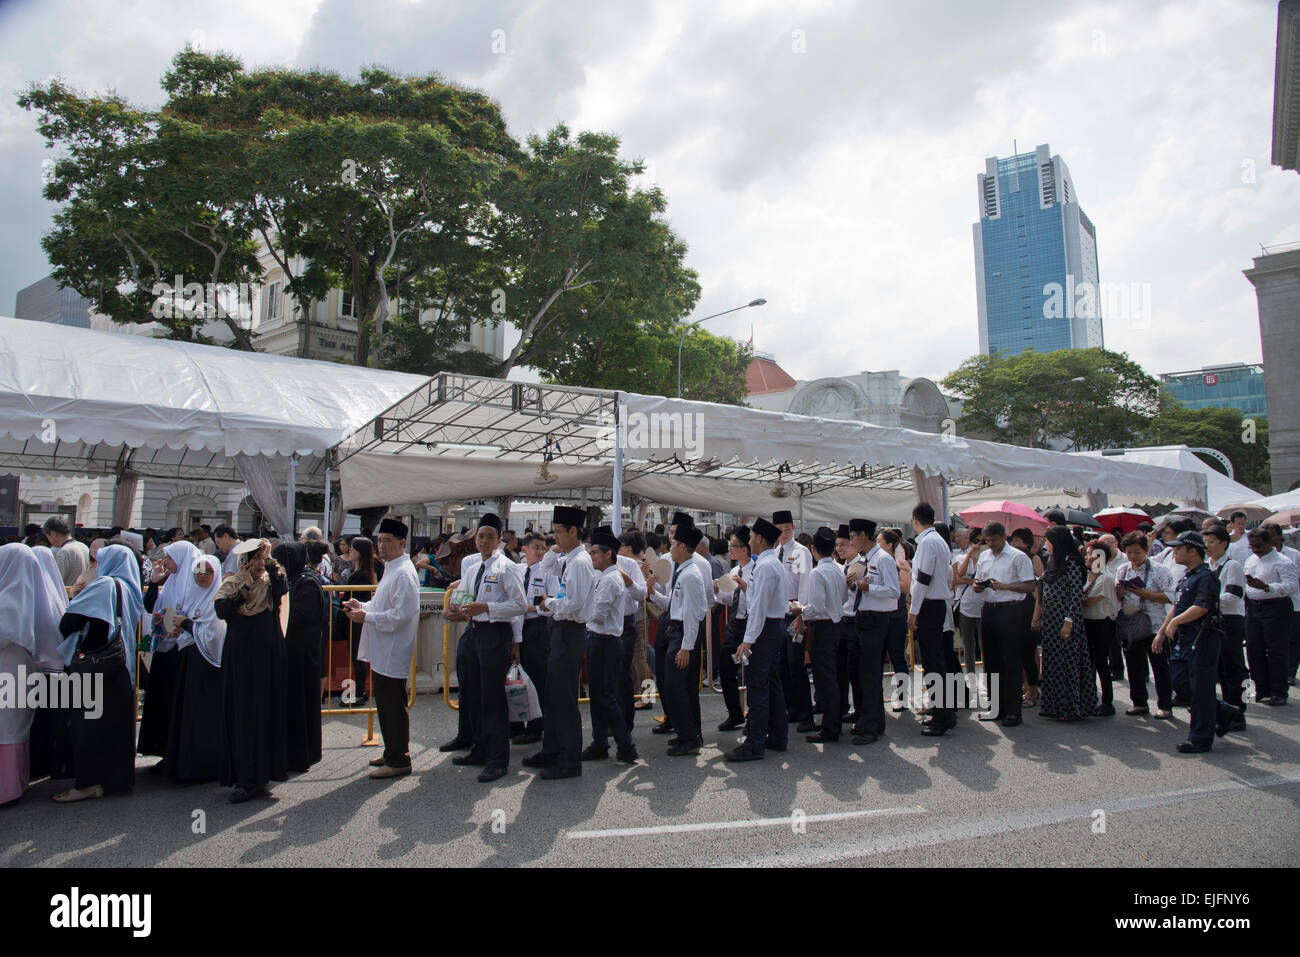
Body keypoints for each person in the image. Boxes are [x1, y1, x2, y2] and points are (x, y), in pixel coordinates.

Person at [51, 543, 143, 802]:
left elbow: (68, 623)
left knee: (89, 727)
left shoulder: (104, 585)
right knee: (115, 727)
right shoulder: (131, 586)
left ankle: (88, 783)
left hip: (95, 667)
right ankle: (116, 779)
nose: (93, 565)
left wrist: (78, 596)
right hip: (120, 667)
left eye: (96, 560)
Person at [443, 514, 526, 783]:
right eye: (480, 535)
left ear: (500, 540)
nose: (484, 541)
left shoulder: (507, 567)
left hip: (494, 633)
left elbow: (519, 605)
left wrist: (488, 608)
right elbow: (464, 598)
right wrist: (453, 610)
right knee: (473, 693)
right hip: (473, 632)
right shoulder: (473, 568)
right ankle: (479, 748)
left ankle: (498, 759)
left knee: (492, 698)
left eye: (490, 536)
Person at [1154, 531, 1243, 753]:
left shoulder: (1206, 576)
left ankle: (1200, 738)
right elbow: (1178, 604)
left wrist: (1176, 622)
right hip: (1185, 638)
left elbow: (1202, 606)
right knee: (1180, 681)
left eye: (1178, 548)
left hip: (1203, 637)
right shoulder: (1188, 576)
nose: (1173, 552)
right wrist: (1162, 631)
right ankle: (1223, 711)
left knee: (1200, 688)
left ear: (1193, 550)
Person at [345, 518, 421, 779]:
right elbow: (382, 605)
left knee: (393, 705)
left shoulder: (404, 572)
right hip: (383, 648)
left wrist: (367, 617)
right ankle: (392, 752)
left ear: (402, 543)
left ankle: (400, 759)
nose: (382, 546)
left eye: (388, 541)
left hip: (393, 648)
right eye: (379, 541)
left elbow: (401, 615)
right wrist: (363, 606)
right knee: (386, 704)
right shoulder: (392, 568)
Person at [213, 540, 288, 802]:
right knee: (244, 712)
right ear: (244, 560)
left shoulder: (271, 581)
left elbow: (281, 589)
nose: (257, 563)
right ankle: (245, 778)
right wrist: (244, 586)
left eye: (261, 558)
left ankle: (265, 773)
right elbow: (222, 610)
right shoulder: (234, 582)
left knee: (265, 710)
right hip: (242, 655)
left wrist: (270, 563)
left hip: (267, 653)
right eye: (253, 558)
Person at [527, 506, 595, 780]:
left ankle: (569, 758)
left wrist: (550, 603)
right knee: (553, 696)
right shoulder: (569, 558)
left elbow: (574, 603)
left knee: (564, 699)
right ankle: (552, 749)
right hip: (561, 630)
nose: (554, 538)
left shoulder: (579, 562)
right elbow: (545, 569)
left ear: (573, 531)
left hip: (571, 632)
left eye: (558, 532)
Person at [0, 544, 66, 805]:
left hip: (7, 666)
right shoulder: (31, 593)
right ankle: (15, 783)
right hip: (20, 667)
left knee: (6, 728)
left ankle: (7, 788)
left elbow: (6, 634)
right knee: (14, 726)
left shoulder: (9, 597)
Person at [726, 518, 789, 761]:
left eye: (751, 537)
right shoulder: (771, 563)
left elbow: (759, 608)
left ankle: (754, 743)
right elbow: (760, 598)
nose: (749, 540)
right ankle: (777, 735)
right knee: (771, 683)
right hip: (772, 626)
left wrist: (748, 640)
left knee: (758, 686)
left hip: (765, 629)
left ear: (760, 539)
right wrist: (744, 586)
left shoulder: (765, 566)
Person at [138, 539, 202, 768]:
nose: (167, 562)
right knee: (163, 702)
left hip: (182, 651)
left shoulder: (194, 581)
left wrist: (177, 621)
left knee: (176, 702)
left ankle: (177, 754)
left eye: (171, 558)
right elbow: (150, 608)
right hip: (166, 650)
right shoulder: (173, 580)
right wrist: (154, 584)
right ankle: (164, 750)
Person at [646, 525, 708, 756]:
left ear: (683, 547)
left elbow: (691, 614)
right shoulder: (683, 571)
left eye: (672, 545)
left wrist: (686, 648)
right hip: (678, 630)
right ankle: (687, 733)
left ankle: (689, 736)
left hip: (683, 634)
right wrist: (652, 593)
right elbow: (673, 606)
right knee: (677, 687)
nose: (669, 548)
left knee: (676, 686)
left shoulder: (691, 575)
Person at [164, 555, 226, 783]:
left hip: (207, 664)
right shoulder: (190, 595)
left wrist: (186, 624)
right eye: (197, 572)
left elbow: (214, 632)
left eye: (207, 572)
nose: (202, 577)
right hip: (189, 659)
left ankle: (204, 765)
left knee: (203, 715)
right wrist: (180, 627)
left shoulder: (217, 597)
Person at [581, 530, 639, 765]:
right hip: (600, 640)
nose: (592, 556)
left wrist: (575, 615)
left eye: (596, 552)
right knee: (598, 695)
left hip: (606, 641)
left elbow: (598, 615)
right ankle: (600, 742)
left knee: (605, 696)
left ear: (608, 554)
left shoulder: (609, 579)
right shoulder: (603, 576)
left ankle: (626, 745)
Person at [973, 522, 1037, 727]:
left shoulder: (1018, 557)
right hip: (988, 609)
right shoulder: (984, 556)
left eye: (993, 540)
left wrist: (1006, 586)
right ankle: (996, 707)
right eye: (987, 541)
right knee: (991, 661)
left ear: (1003, 536)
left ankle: (1012, 711)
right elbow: (978, 580)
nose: (990, 544)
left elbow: (1030, 585)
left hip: (1010, 609)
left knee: (1010, 661)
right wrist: (978, 586)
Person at [272, 542, 326, 773]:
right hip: (293, 652)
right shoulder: (298, 579)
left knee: (301, 705)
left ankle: (301, 755)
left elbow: (298, 618)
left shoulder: (306, 582)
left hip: (302, 654)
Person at [1113, 531, 1176, 718]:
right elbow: (1118, 598)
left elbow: (1171, 597)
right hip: (1131, 625)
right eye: (1129, 552)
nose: (1133, 557)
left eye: (1137, 553)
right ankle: (1139, 703)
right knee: (1133, 666)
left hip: (1154, 625)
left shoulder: (1159, 570)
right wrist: (1119, 591)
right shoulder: (1123, 569)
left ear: (1146, 551)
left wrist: (1145, 594)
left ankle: (1165, 704)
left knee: (1160, 667)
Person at [1037, 525, 1095, 722]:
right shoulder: (1053, 561)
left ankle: (1070, 707)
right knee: (1052, 661)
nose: (1046, 544)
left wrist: (1068, 621)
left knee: (1067, 662)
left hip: (1065, 618)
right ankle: (1053, 705)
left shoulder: (1071, 562)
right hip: (1051, 618)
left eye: (1049, 540)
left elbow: (1076, 594)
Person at [909, 503, 957, 735]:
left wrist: (913, 611)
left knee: (933, 662)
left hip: (929, 605)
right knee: (935, 661)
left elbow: (923, 579)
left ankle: (942, 715)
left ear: (915, 520)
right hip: (935, 604)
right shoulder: (938, 540)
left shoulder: (928, 542)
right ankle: (943, 711)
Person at [848, 518, 897, 743]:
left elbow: (893, 591)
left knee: (870, 674)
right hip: (861, 617)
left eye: (852, 536)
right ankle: (866, 718)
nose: (851, 541)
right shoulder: (862, 560)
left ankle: (872, 725)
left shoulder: (884, 559)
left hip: (877, 619)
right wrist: (853, 584)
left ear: (863, 535)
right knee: (860, 673)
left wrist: (869, 587)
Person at [798, 527, 847, 743]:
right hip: (836, 624)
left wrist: (800, 612)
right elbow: (844, 597)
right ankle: (832, 721)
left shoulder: (817, 572)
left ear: (813, 549)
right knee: (832, 677)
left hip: (823, 626)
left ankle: (830, 727)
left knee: (825, 679)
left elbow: (816, 606)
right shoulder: (838, 569)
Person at [1242, 528, 1297, 706]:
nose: (1255, 550)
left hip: (1276, 606)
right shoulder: (1250, 560)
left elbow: (1291, 586)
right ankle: (1261, 688)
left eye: (1258, 545)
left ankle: (1278, 691)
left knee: (1276, 651)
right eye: (1252, 546)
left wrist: (1267, 587)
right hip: (1254, 607)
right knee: (1253, 649)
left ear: (1269, 543)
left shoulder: (1283, 561)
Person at [772, 510, 815, 731]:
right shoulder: (776, 551)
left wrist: (801, 616)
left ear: (794, 528)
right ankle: (792, 708)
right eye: (779, 529)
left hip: (794, 611)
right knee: (781, 664)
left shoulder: (800, 552)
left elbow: (805, 585)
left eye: (787, 529)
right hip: (779, 613)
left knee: (795, 663)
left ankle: (806, 713)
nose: (783, 533)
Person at [510, 533, 553, 745]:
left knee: (537, 678)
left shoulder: (547, 573)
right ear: (524, 549)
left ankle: (536, 727)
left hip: (537, 626)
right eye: (536, 547)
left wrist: (534, 608)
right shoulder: (516, 570)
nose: (540, 552)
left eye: (543, 548)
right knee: (514, 677)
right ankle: (515, 724)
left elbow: (552, 603)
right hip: (516, 626)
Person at [1203, 524, 1248, 721]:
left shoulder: (1232, 566)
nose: (1208, 546)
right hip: (1213, 620)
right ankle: (1225, 711)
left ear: (1224, 543)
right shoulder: (1207, 565)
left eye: (1212, 542)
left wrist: (1207, 601)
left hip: (1231, 620)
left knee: (1233, 667)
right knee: (1219, 667)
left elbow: (1233, 596)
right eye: (1205, 542)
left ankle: (1239, 711)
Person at [716, 526, 753, 731]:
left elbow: (755, 599)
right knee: (726, 666)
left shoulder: (754, 570)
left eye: (734, 546)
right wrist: (717, 591)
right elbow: (730, 598)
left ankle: (754, 714)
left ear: (744, 549)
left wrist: (744, 586)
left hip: (749, 622)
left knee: (752, 671)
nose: (730, 550)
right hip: (734, 623)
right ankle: (735, 713)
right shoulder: (733, 570)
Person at [617, 529, 652, 730]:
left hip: (637, 617)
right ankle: (641, 694)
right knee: (636, 658)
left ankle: (648, 696)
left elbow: (642, 592)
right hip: (633, 617)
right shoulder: (630, 563)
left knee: (640, 658)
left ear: (628, 547)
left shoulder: (635, 565)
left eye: (621, 545)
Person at [1081, 539, 1120, 716]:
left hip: (1102, 623)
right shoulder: (1090, 575)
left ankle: (1107, 702)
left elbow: (1091, 600)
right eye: (1088, 553)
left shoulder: (1105, 577)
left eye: (1093, 554)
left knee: (1101, 663)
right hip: (1089, 622)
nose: (1088, 557)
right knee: (1090, 662)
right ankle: (1090, 698)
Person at [1009, 528, 1044, 707]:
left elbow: (1039, 590)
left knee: (1029, 653)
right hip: (1014, 609)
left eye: (1017, 540)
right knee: (1018, 653)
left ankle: (1032, 690)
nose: (1014, 543)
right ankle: (1025, 687)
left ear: (1026, 543)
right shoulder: (1009, 559)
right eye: (1012, 540)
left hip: (1029, 609)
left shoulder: (1034, 559)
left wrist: (1036, 616)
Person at [953, 526, 985, 678]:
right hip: (966, 604)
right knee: (968, 643)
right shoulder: (959, 556)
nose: (977, 544)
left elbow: (983, 575)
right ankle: (970, 675)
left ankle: (987, 675)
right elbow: (958, 575)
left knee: (983, 642)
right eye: (975, 540)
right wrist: (970, 554)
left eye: (981, 541)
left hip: (982, 604)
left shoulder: (985, 556)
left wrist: (977, 556)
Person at [44, 516, 90, 586]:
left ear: (53, 534)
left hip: (69, 594)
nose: (49, 540)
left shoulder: (64, 551)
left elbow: (57, 581)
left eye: (48, 537)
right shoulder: (84, 546)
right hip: (83, 593)